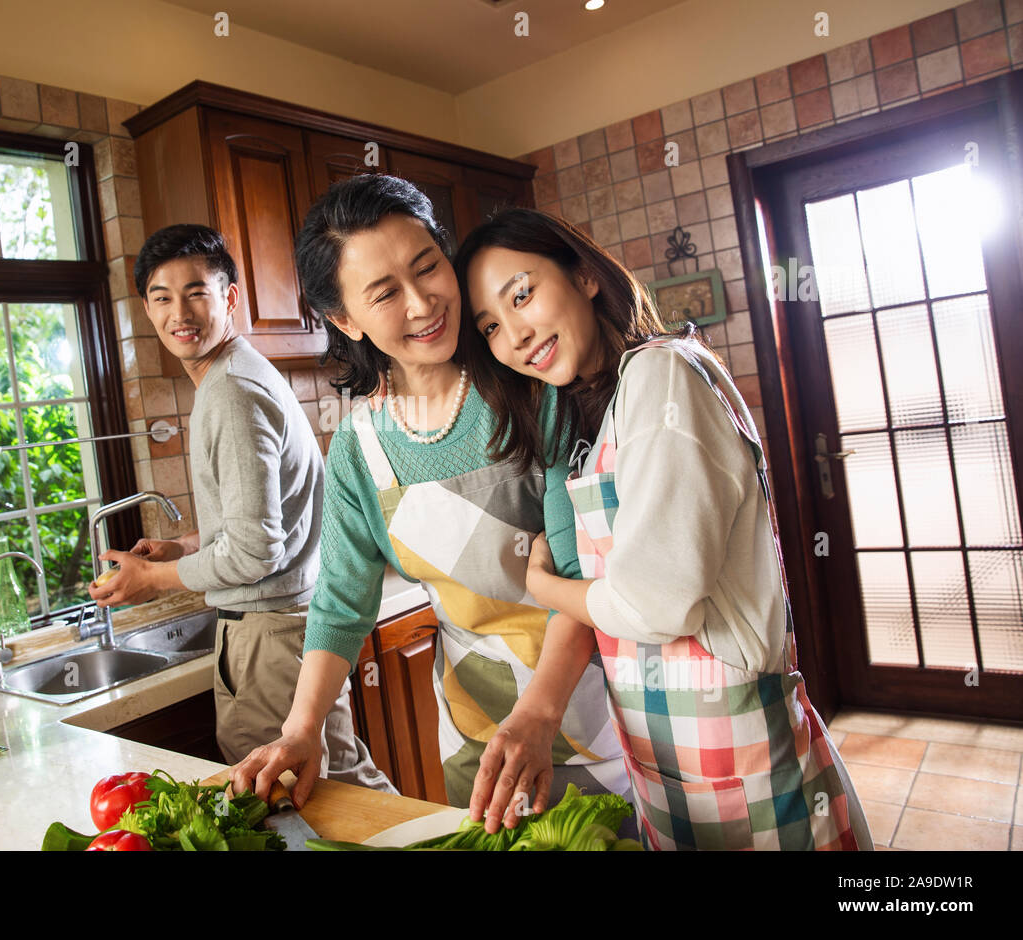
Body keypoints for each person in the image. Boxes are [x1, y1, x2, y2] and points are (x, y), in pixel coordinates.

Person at [455, 206, 873, 850]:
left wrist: (539, 584)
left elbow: (654, 603)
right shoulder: (605, 404)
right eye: (490, 325)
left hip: (742, 761)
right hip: (666, 769)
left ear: (586, 275)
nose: (513, 334)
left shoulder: (663, 373)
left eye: (522, 294)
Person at [231, 176, 630, 828]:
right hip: (473, 731)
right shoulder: (361, 447)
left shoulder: (532, 389)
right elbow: (339, 602)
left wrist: (538, 713)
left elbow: (582, 573)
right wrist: (301, 730)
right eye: (386, 293)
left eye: (428, 268)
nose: (422, 304)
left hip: (587, 705)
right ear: (345, 319)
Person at [90, 223, 392, 793]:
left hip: (270, 641)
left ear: (229, 298)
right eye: (162, 297)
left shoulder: (230, 391)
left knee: (308, 806)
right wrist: (185, 547)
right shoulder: (235, 376)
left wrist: (156, 577)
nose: (180, 311)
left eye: (197, 292)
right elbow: (258, 520)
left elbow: (255, 550)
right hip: (287, 631)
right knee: (342, 797)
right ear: (148, 310)